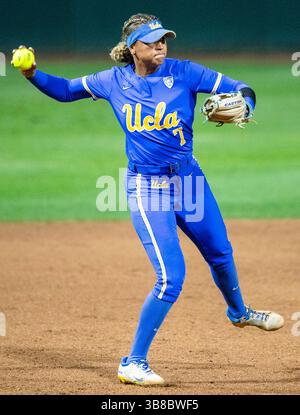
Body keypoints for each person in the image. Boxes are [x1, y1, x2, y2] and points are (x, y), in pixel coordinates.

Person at [17, 13, 284, 387]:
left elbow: (243, 86)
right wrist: (32, 74)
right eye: (153, 40)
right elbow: (64, 90)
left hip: (189, 179)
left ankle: (239, 313)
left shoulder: (185, 72)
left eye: (164, 39)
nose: (161, 45)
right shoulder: (112, 81)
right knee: (170, 278)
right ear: (132, 47)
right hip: (148, 189)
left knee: (221, 252)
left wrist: (247, 105)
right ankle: (133, 362)